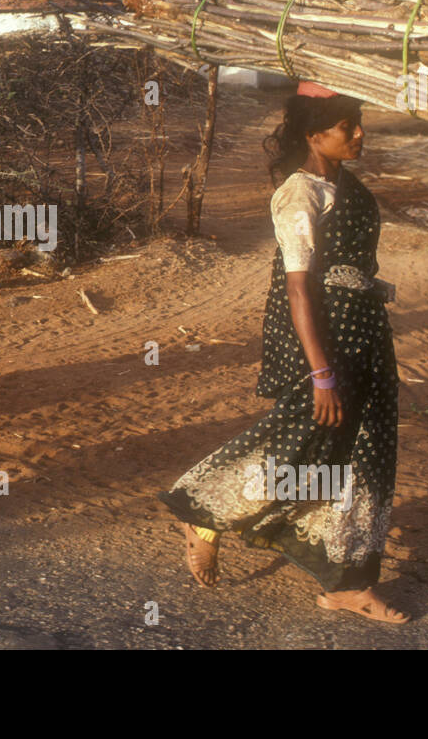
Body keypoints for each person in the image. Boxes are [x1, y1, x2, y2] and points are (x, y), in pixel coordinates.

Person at [159, 81, 409, 623]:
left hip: (365, 333)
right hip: (322, 340)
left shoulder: (344, 181)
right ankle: (204, 510)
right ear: (313, 135)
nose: (360, 133)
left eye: (359, 121)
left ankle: (347, 582)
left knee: (365, 452)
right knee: (298, 438)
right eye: (348, 126)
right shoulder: (300, 194)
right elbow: (298, 287)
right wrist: (321, 373)